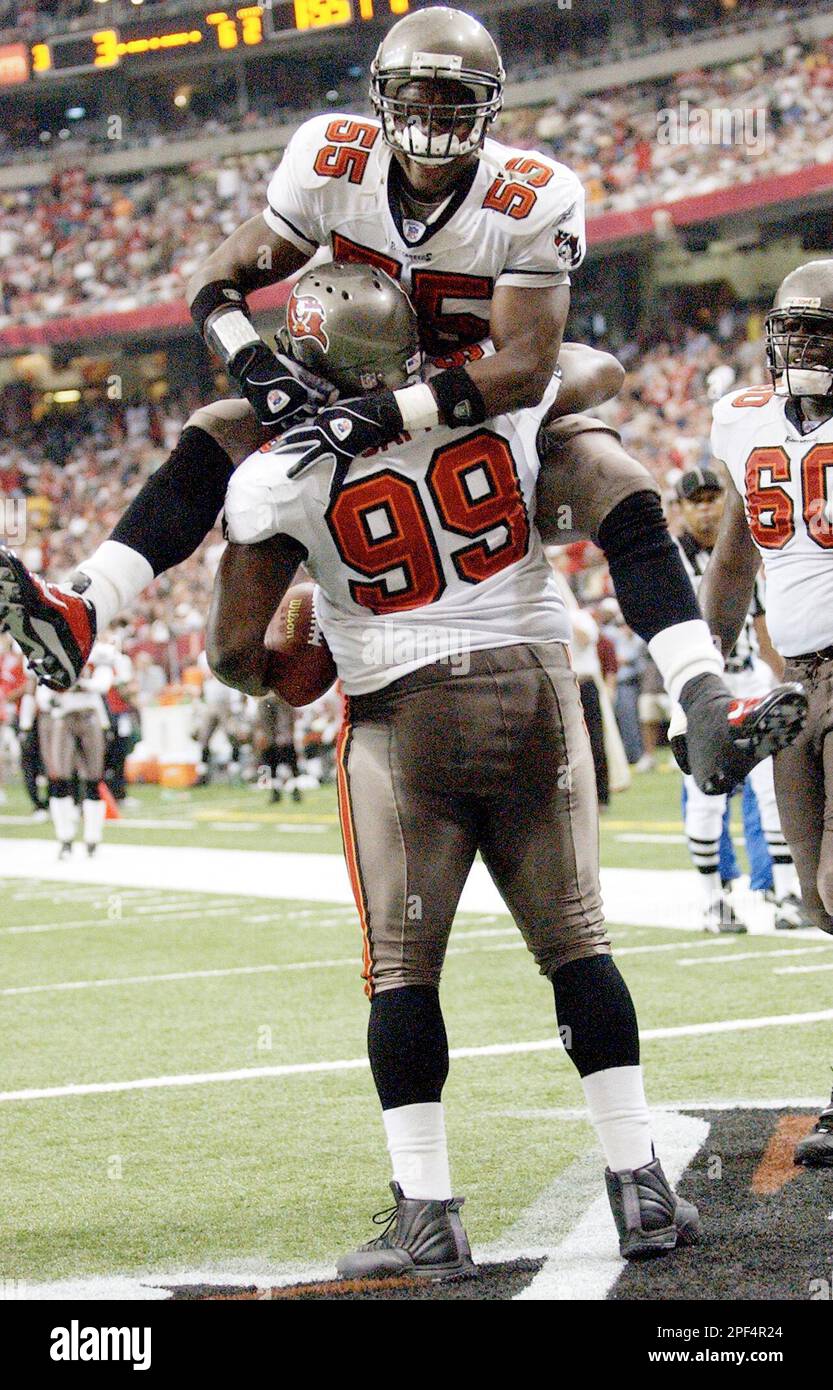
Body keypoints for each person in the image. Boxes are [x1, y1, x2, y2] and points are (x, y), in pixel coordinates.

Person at [0, 7, 806, 799]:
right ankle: (86, 603)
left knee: (607, 467)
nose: (428, 122)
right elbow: (215, 281)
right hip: (346, 379)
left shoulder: (532, 195)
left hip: (473, 389)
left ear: (488, 108)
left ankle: (700, 698)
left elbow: (526, 367)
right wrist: (256, 368)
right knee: (218, 464)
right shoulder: (329, 159)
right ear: (379, 98)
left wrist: (389, 416)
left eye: (450, 102)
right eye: (412, 99)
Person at [210, 259, 702, 1274]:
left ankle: (428, 1212)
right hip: (533, 689)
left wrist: (296, 638)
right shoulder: (497, 396)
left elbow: (229, 653)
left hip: (403, 713)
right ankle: (640, 1185)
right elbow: (595, 368)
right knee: (577, 945)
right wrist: (444, 395)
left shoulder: (276, 472)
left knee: (401, 973)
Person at [700, 258, 833, 1167]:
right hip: (798, 683)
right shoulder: (744, 422)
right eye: (791, 331)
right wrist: (698, 676)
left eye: (819, 332)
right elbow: (735, 558)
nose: (801, 349)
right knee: (820, 905)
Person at [674, 467, 807, 934]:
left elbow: (764, 621)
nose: (708, 507)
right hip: (700, 686)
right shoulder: (670, 559)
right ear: (682, 509)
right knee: (706, 793)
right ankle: (713, 899)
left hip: (749, 677)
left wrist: (778, 673)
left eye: (714, 497)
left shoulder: (741, 547)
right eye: (698, 500)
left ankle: (787, 890)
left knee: (774, 788)